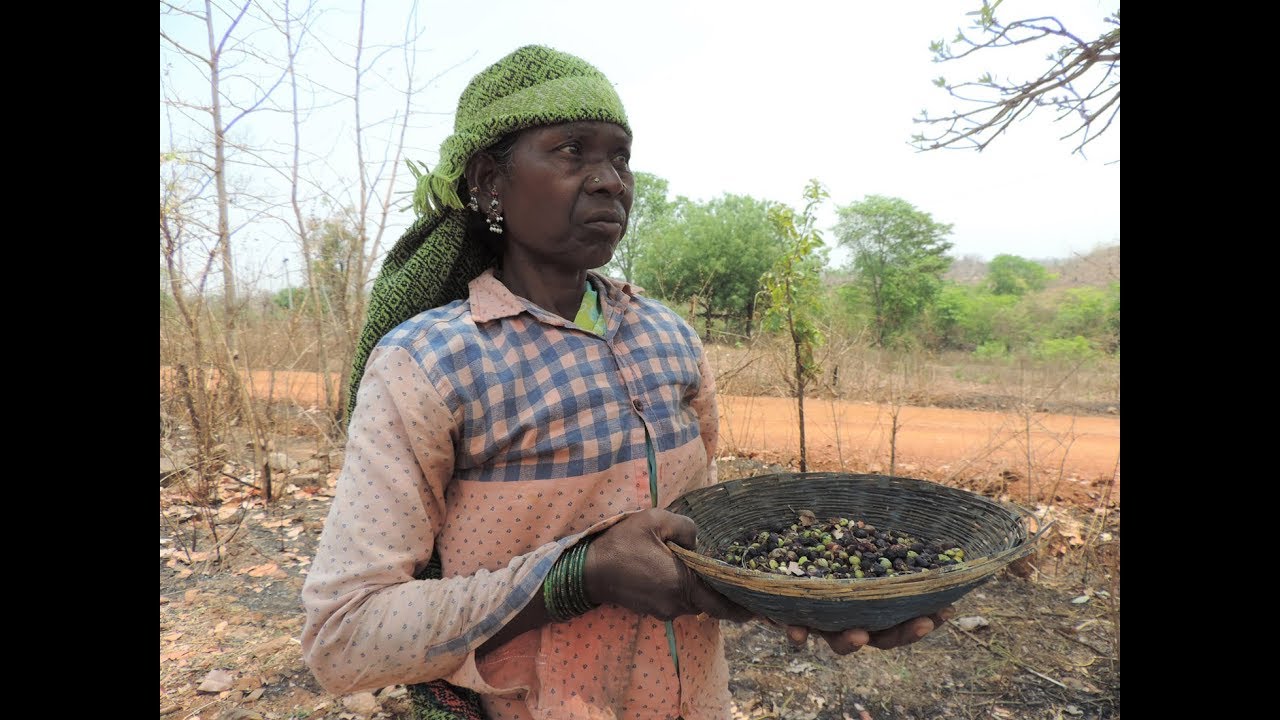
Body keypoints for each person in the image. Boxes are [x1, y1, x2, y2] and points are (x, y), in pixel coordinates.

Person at [301, 45, 951, 719]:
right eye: (572, 151)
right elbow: (343, 636)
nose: (610, 180)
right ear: (489, 180)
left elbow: (703, 547)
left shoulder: (668, 340)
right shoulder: (429, 364)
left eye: (621, 158)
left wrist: (824, 596)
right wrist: (580, 575)